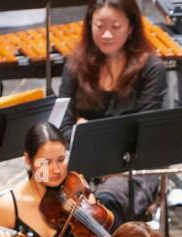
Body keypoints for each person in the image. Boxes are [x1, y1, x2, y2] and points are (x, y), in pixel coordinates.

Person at [58, 0, 167, 224]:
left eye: (115, 27)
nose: (106, 34)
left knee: (105, 201)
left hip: (133, 169)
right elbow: (63, 127)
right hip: (82, 165)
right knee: (51, 197)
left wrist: (90, 133)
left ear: (131, 27)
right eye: (99, 26)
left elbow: (145, 133)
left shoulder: (151, 69)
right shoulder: (75, 66)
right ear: (89, 25)